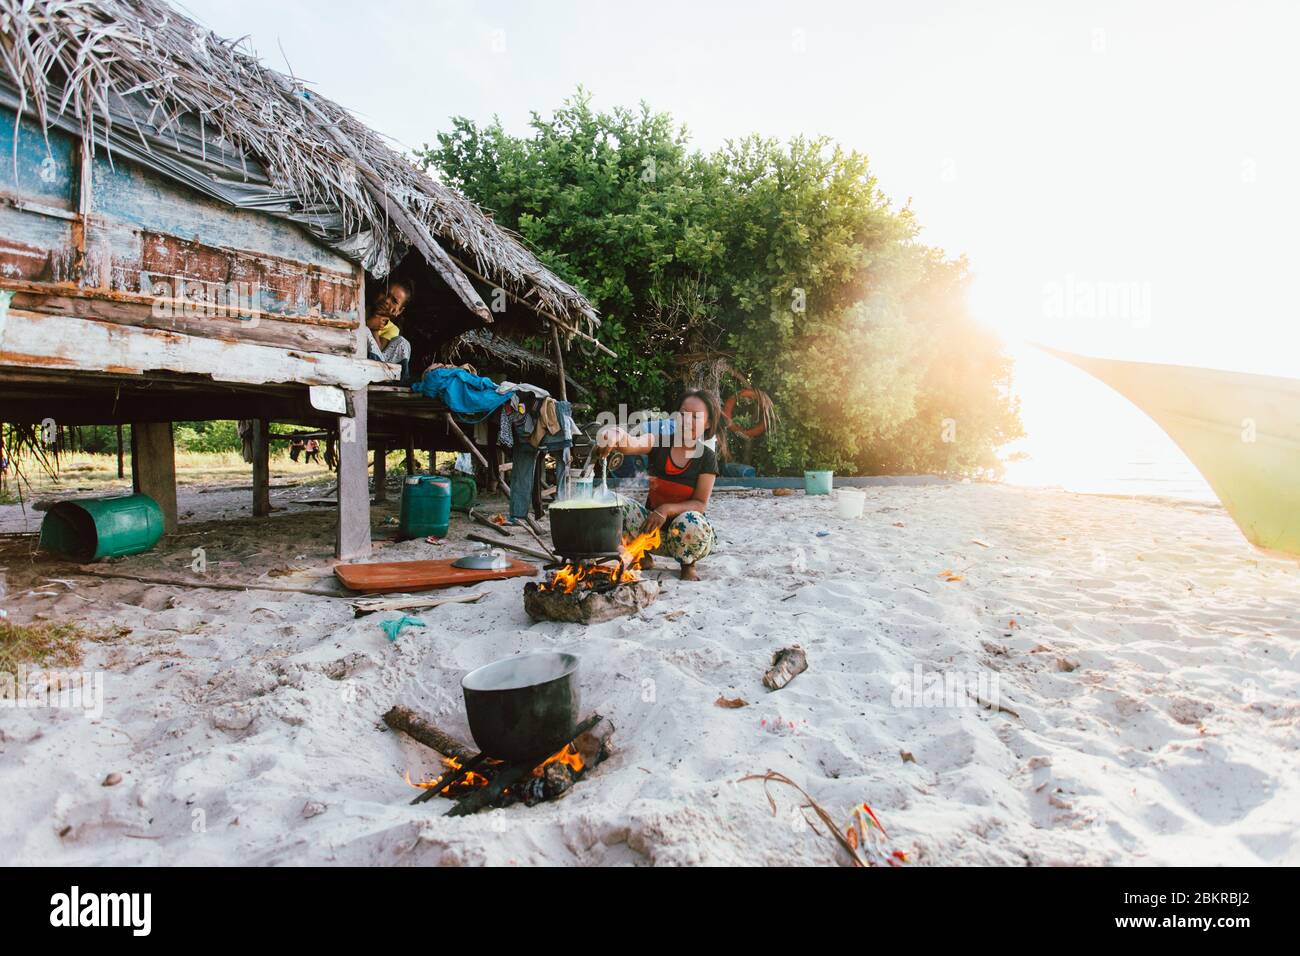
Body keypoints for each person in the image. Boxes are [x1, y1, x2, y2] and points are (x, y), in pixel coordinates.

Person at [595, 391, 720, 581]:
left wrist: (666, 509)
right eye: (683, 413)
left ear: (708, 423)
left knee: (691, 520)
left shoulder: (707, 458)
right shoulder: (659, 440)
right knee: (612, 503)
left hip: (686, 537)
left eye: (695, 417)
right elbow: (631, 443)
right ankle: (642, 556)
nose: (687, 420)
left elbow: (700, 504)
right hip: (650, 530)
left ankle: (688, 564)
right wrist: (613, 434)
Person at [365, 281, 413, 383]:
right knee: (364, 330)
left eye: (394, 301)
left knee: (402, 342)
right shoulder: (361, 310)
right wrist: (368, 324)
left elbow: (379, 352)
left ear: (399, 311)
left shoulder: (393, 329)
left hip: (380, 368)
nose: (386, 300)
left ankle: (398, 381)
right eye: (385, 293)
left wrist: (375, 329)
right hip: (361, 364)